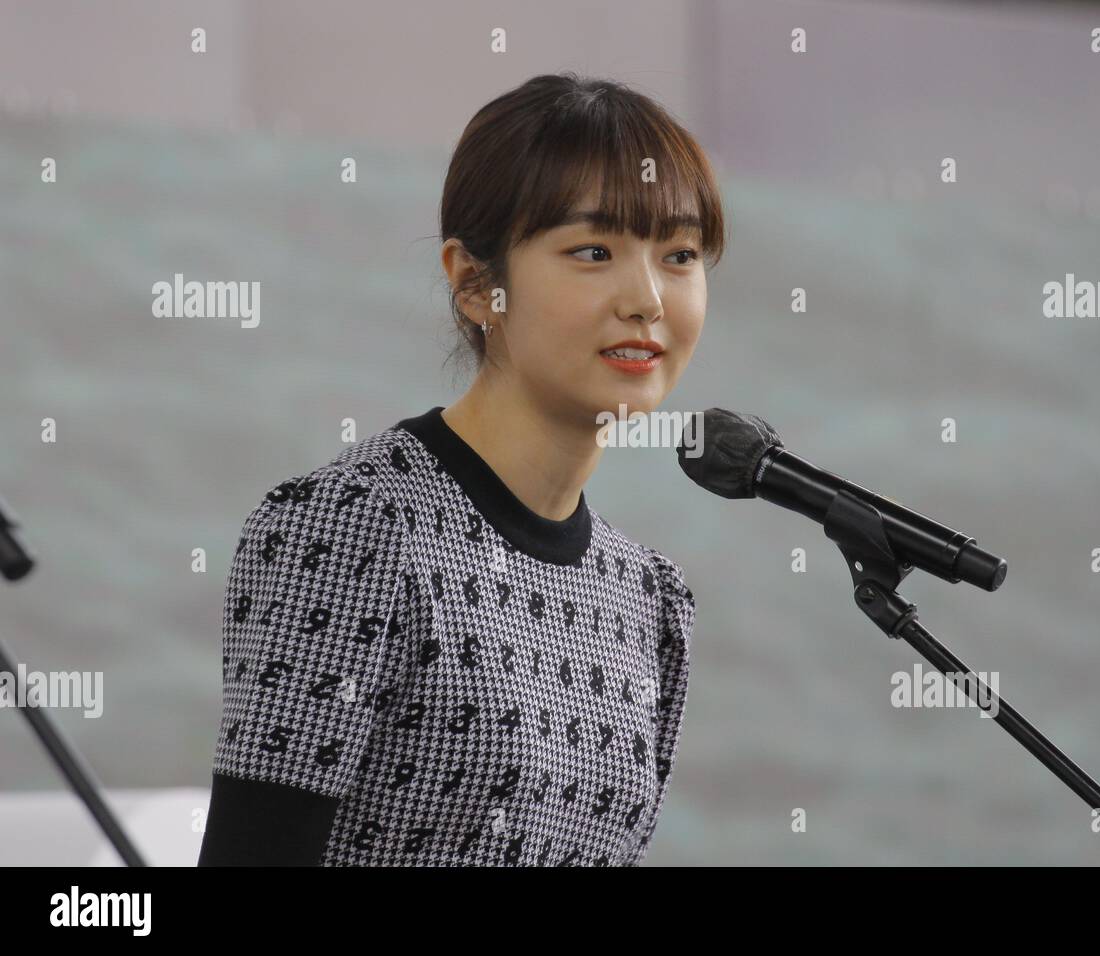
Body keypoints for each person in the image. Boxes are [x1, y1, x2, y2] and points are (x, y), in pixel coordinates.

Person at [197, 72, 726, 866]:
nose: (648, 298)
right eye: (593, 250)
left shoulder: (649, 596)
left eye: (680, 255)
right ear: (477, 285)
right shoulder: (349, 527)